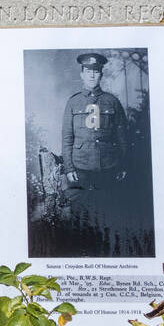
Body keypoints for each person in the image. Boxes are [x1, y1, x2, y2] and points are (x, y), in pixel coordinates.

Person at [61, 53, 129, 249]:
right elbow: (67, 138)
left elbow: (122, 137)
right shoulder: (73, 103)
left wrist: (122, 165)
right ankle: (81, 249)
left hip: (108, 165)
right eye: (88, 71)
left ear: (101, 75)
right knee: (79, 210)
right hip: (80, 166)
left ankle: (106, 250)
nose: (92, 75)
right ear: (82, 74)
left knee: (108, 209)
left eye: (96, 71)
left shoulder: (112, 102)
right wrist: (68, 167)